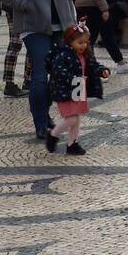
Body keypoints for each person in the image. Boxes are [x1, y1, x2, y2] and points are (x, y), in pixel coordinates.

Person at [0, 0, 78, 139]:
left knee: (57, 76)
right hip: (34, 28)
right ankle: (41, 123)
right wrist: (26, 4)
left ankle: (46, 115)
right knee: (40, 76)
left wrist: (73, 22)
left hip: (61, 26)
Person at [45, 24, 105, 156]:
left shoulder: (85, 54)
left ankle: (72, 144)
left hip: (78, 89)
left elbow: (93, 65)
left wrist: (102, 70)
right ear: (70, 42)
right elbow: (58, 72)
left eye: (85, 42)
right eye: (80, 42)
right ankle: (52, 134)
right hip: (65, 91)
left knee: (76, 119)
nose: (83, 45)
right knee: (71, 118)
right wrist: (74, 77)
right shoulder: (63, 55)